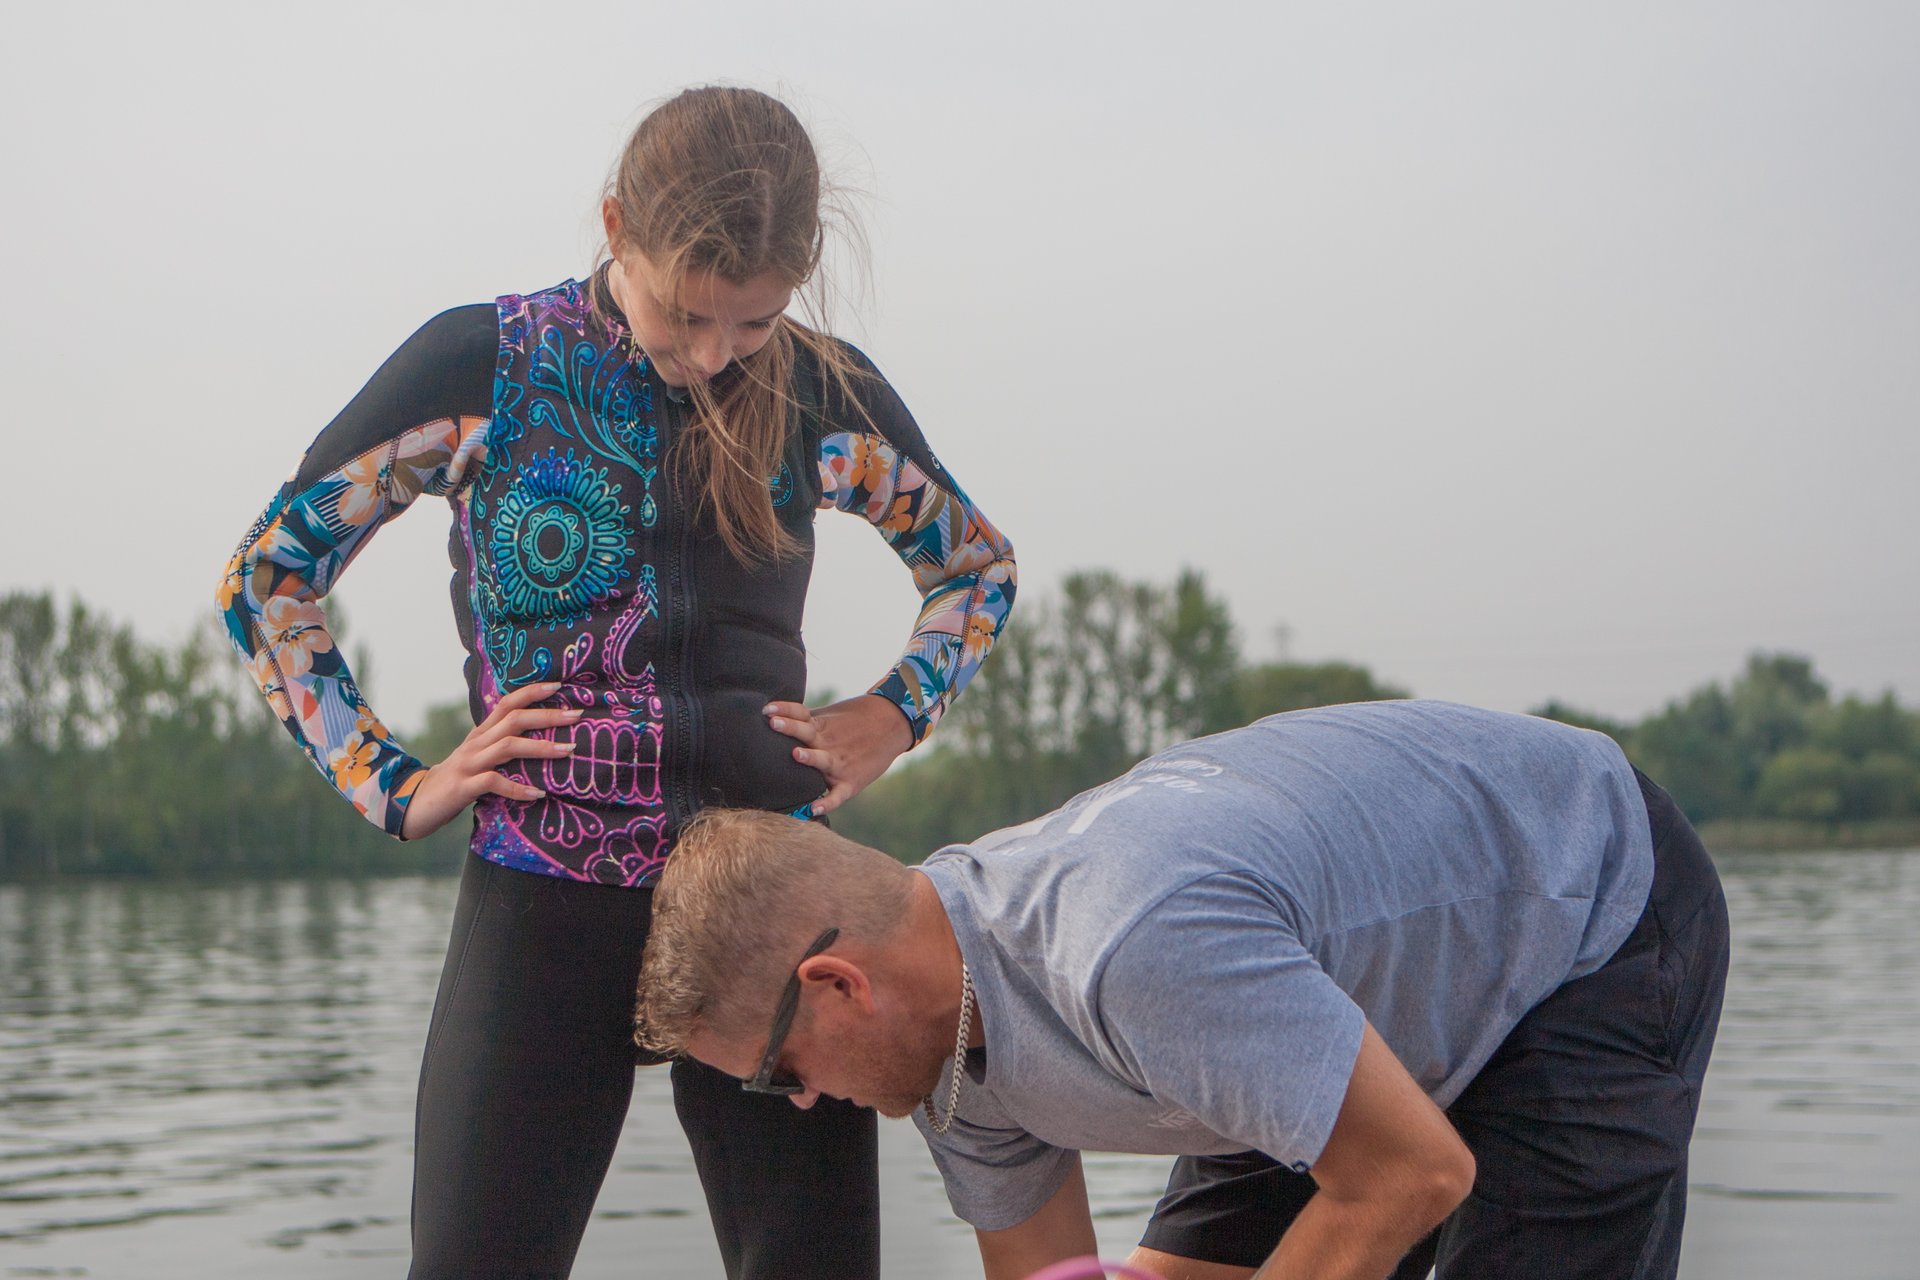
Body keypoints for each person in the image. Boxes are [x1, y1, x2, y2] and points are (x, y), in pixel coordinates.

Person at [216, 86, 1016, 1280]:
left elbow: (975, 568)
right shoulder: (485, 364)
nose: (710, 355)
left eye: (750, 324)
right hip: (548, 892)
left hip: (773, 902)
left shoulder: (818, 391)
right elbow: (269, 578)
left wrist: (891, 715)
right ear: (614, 228)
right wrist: (394, 778)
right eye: (686, 312)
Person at [636, 699, 1730, 1280]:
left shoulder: (1126, 946)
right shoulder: (948, 1065)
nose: (807, 1101)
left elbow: (1412, 1170)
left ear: (836, 981)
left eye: (782, 1071)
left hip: (1582, 908)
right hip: (1318, 1000)